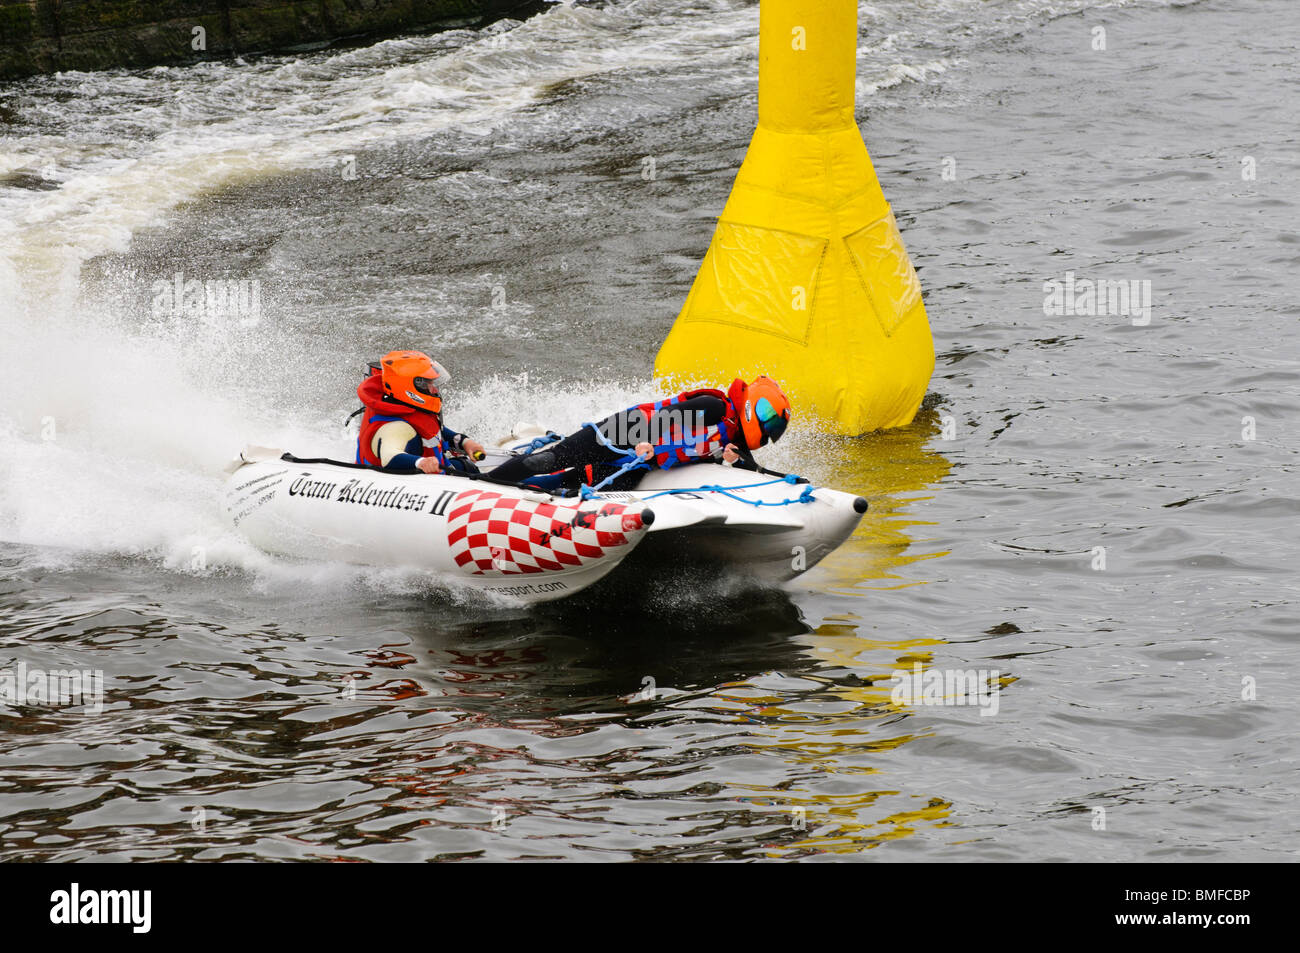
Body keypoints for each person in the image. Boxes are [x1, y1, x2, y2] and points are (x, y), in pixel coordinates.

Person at [488, 375, 791, 491]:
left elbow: (751, 470)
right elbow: (670, 416)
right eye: (768, 417)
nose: (768, 428)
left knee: (576, 482)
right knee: (549, 460)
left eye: (774, 427)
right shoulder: (716, 408)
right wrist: (648, 442)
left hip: (641, 464)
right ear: (753, 403)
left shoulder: (733, 442)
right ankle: (486, 484)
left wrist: (791, 482)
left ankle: (531, 494)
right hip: (628, 430)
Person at [353, 350, 484, 474]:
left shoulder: (410, 411)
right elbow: (390, 456)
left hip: (431, 476)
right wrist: (421, 462)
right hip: (401, 487)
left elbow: (435, 431)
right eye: (429, 384)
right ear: (410, 386)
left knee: (468, 466)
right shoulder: (395, 428)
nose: (434, 390)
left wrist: (466, 443)